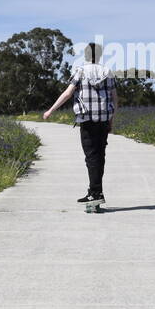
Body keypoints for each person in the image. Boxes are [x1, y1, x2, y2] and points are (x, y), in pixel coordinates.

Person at [43, 42, 115, 204]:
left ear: (86, 55)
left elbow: (68, 93)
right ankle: (96, 191)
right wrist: (111, 120)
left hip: (86, 119)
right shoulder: (107, 72)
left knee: (91, 157)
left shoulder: (80, 71)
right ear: (100, 55)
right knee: (99, 156)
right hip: (103, 119)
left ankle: (96, 193)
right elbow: (114, 98)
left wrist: (51, 110)